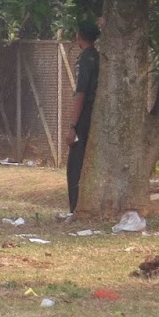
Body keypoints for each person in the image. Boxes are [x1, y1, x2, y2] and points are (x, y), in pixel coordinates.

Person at [62, 21, 100, 219]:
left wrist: (72, 126)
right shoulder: (98, 57)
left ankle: (75, 207)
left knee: (75, 162)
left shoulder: (85, 58)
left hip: (85, 115)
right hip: (96, 113)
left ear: (79, 35)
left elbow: (81, 93)